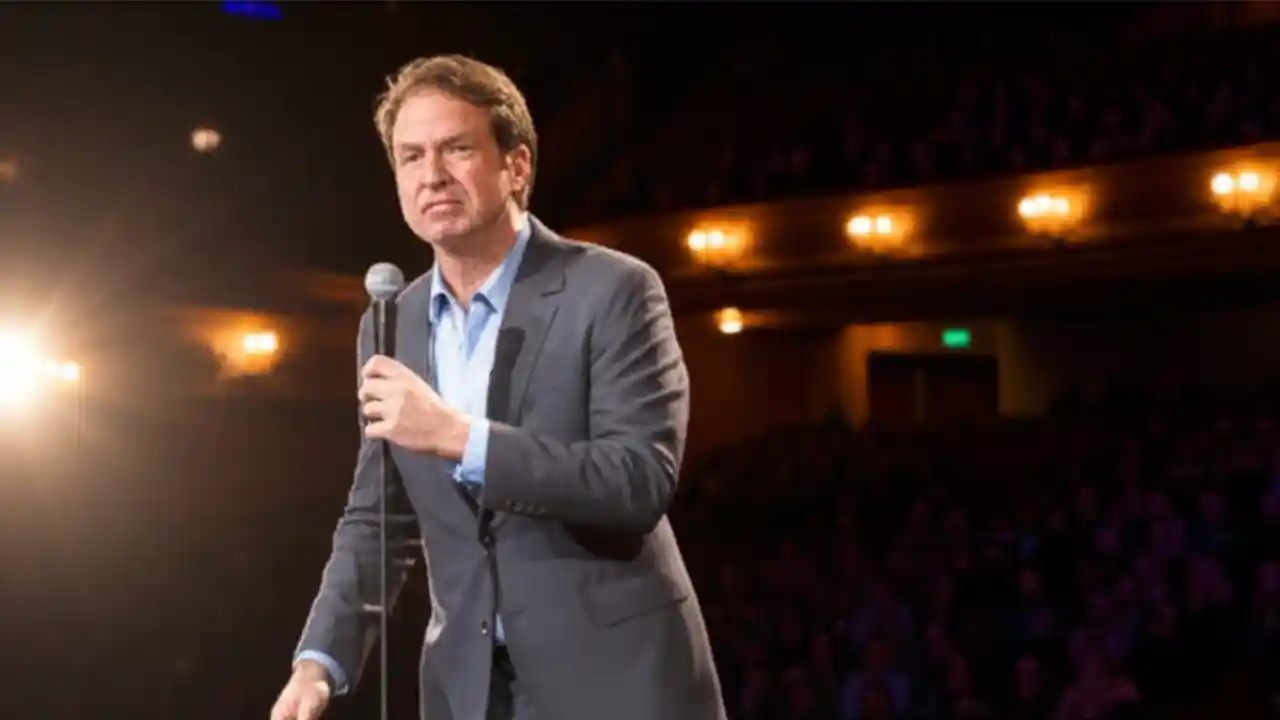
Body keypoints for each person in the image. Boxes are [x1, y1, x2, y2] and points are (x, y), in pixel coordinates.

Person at [269, 54, 726, 720]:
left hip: (618, 685)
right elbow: (379, 516)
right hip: (473, 694)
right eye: (411, 156)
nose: (433, 176)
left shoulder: (615, 290)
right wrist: (318, 663)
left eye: (457, 149)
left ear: (516, 167)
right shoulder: (388, 323)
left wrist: (460, 437)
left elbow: (638, 480)